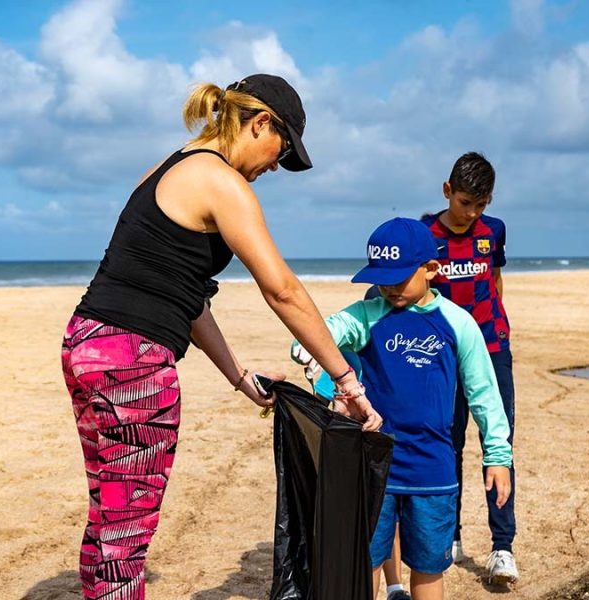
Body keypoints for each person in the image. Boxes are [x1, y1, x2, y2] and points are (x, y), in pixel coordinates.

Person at [60, 74, 383, 600]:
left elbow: (187, 299)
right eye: (282, 151)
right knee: (127, 532)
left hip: (88, 343)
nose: (275, 166)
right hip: (133, 361)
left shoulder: (166, 168)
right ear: (260, 123)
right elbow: (282, 290)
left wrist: (238, 377)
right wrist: (347, 381)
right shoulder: (221, 182)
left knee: (108, 516)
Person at [291, 217, 512, 600]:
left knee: (428, 569)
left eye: (399, 277)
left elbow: (484, 395)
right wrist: (308, 353)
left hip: (433, 470)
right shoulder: (366, 316)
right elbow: (316, 336)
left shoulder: (458, 324)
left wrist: (498, 455)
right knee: (368, 561)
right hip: (374, 467)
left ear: (431, 270)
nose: (388, 287)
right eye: (381, 277)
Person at [421, 151, 519, 584]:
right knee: (447, 442)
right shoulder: (424, 233)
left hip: (493, 349)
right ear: (447, 191)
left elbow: (494, 281)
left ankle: (503, 547)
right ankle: (451, 536)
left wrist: (494, 329)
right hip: (443, 355)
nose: (472, 213)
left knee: (498, 442)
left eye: (481, 205)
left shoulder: (492, 231)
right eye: (465, 203)